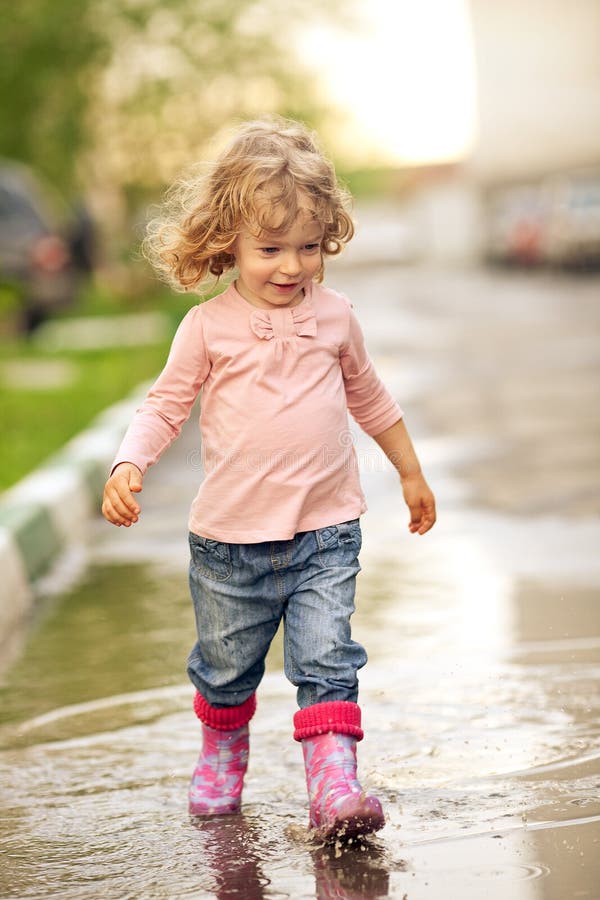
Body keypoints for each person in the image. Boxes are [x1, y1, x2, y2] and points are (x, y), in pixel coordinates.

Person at [102, 117, 436, 840]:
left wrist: (409, 472)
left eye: (310, 248)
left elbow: (371, 398)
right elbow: (165, 406)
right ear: (229, 242)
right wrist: (130, 462)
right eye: (271, 249)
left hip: (326, 533)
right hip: (229, 547)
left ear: (329, 242)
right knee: (226, 672)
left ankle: (335, 785)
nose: (292, 266)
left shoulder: (337, 318)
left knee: (328, 660)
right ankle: (222, 753)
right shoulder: (207, 329)